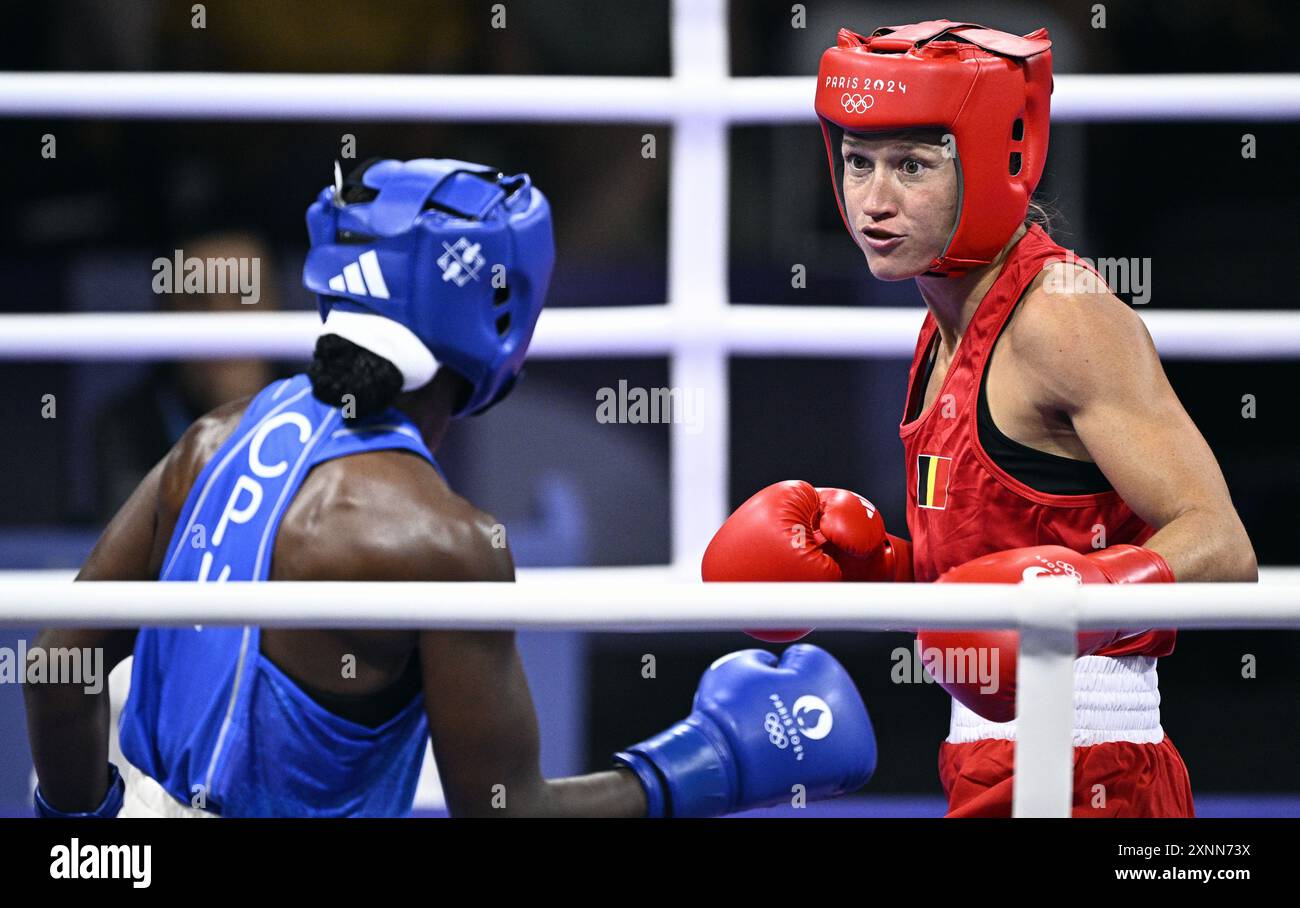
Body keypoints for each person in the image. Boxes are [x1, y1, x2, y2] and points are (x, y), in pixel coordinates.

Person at [24, 157, 877, 818]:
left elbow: (57, 668)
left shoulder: (211, 440)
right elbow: (506, 812)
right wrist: (711, 762)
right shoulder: (443, 544)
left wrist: (94, 838)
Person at [702, 21, 1256, 817]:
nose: (874, 200)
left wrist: (1078, 594)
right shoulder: (945, 317)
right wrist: (884, 571)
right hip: (983, 754)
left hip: (1090, 763)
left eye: (912, 167)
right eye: (858, 163)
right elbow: (993, 572)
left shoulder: (1062, 319)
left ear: (1000, 167)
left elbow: (1222, 542)